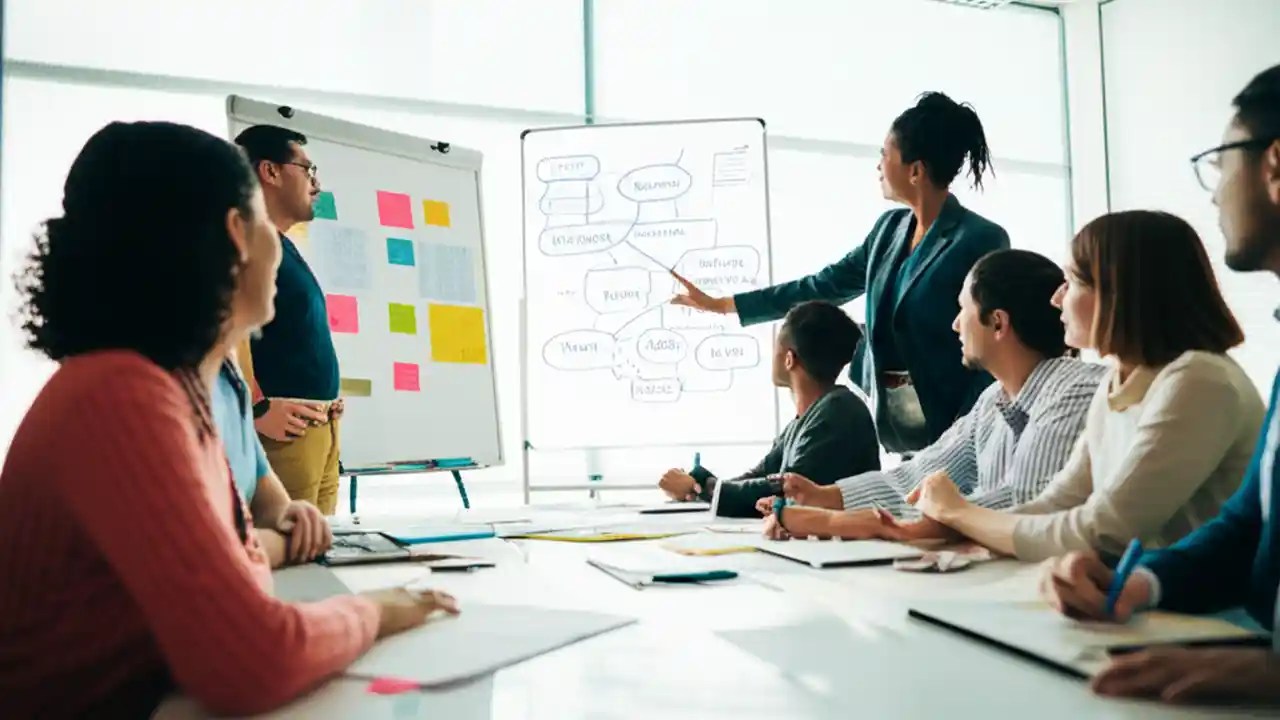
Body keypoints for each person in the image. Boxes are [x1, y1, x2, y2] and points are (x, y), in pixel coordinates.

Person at [0, 121, 457, 717]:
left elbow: (231, 559)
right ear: (238, 235)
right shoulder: (125, 396)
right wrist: (381, 609)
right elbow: (254, 662)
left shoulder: (162, 384)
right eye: (265, 225)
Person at [1040, 63, 1280, 705]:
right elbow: (1245, 528)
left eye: (1219, 162)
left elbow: (1103, 520)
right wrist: (1134, 585)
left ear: (1275, 165)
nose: (1213, 194)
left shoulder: (1200, 379)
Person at [907, 210, 1264, 565]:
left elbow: (1105, 529)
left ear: (1120, 292)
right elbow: (1058, 502)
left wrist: (956, 513)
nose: (1056, 298)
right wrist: (947, 523)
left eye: (1072, 282)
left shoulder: (1201, 381)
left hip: (1206, 612)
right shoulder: (1118, 379)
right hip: (1141, 599)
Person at [672, 91, 1009, 454]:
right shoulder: (888, 230)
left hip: (955, 422)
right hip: (894, 421)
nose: (878, 165)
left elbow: (996, 342)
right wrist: (726, 305)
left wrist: (971, 424)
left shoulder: (979, 239)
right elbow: (824, 286)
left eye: (885, 154)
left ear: (915, 170)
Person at [756, 249, 1106, 540]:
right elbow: (916, 475)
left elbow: (1027, 504)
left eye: (963, 310)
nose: (955, 324)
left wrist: (845, 522)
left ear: (998, 323)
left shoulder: (1074, 390)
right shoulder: (992, 401)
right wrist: (826, 497)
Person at [658, 301, 879, 517]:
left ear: (789, 360)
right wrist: (697, 481)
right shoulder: (808, 417)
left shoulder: (838, 410)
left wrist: (705, 489)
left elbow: (790, 489)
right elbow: (762, 477)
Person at [232, 125, 344, 515]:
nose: (317, 184)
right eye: (308, 170)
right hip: (286, 437)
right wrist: (258, 408)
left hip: (319, 430)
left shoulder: (282, 244)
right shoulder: (246, 239)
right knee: (293, 559)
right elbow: (233, 333)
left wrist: (327, 399)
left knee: (320, 551)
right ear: (271, 171)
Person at [212, 350, 332, 567]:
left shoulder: (230, 377)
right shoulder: (161, 386)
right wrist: (293, 545)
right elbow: (207, 552)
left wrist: (288, 516)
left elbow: (266, 495)